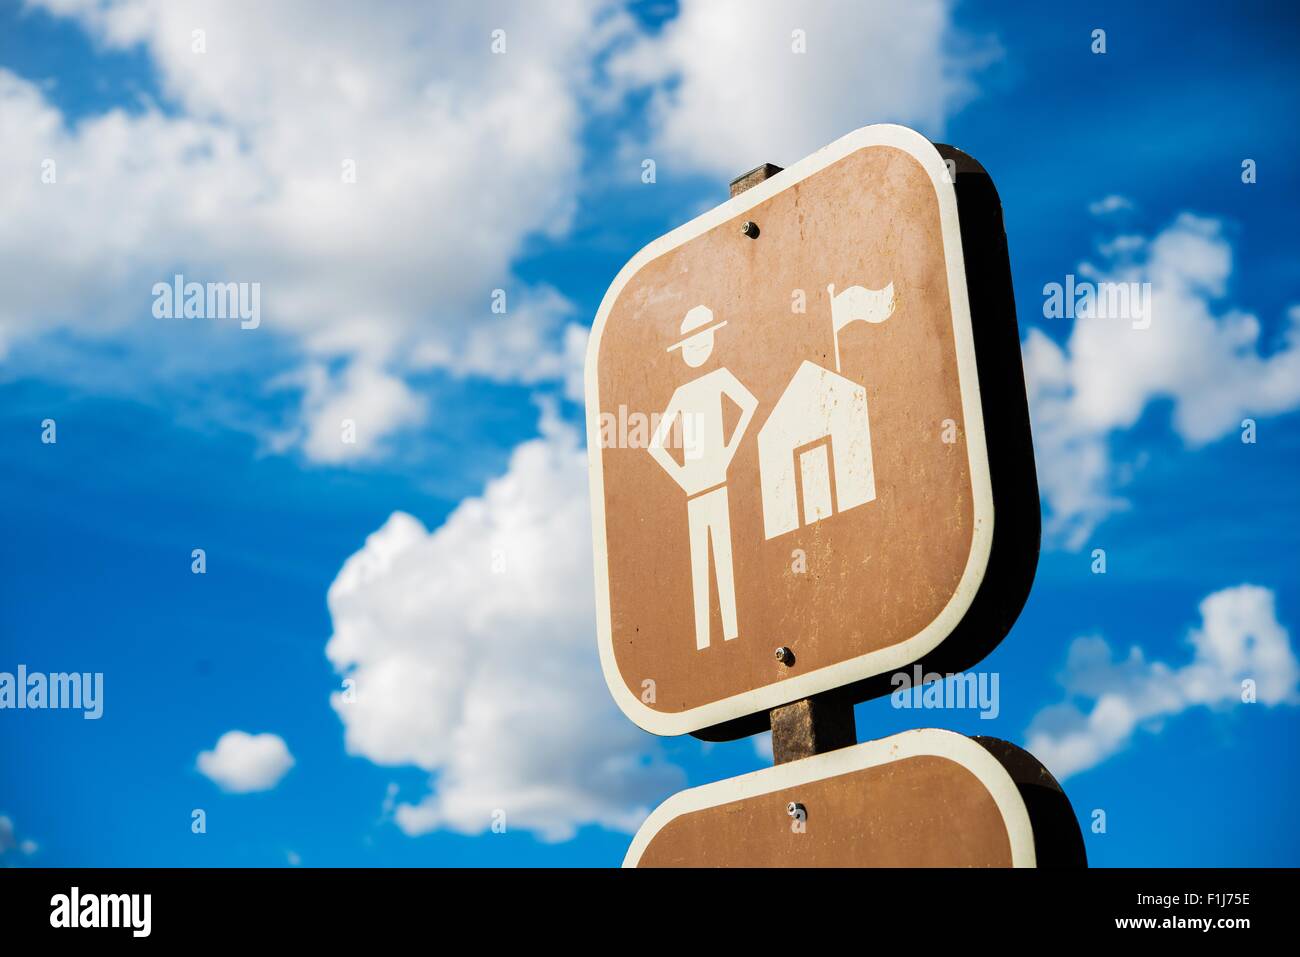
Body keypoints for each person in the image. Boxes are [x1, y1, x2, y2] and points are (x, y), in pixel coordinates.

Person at [648, 305, 758, 651]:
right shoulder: (682, 395)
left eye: (702, 338)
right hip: (694, 489)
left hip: (718, 482)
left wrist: (727, 450)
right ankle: (707, 641)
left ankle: (731, 634)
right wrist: (682, 476)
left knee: (723, 557)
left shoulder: (719, 378)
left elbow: (748, 405)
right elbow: (657, 444)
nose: (698, 346)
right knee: (700, 564)